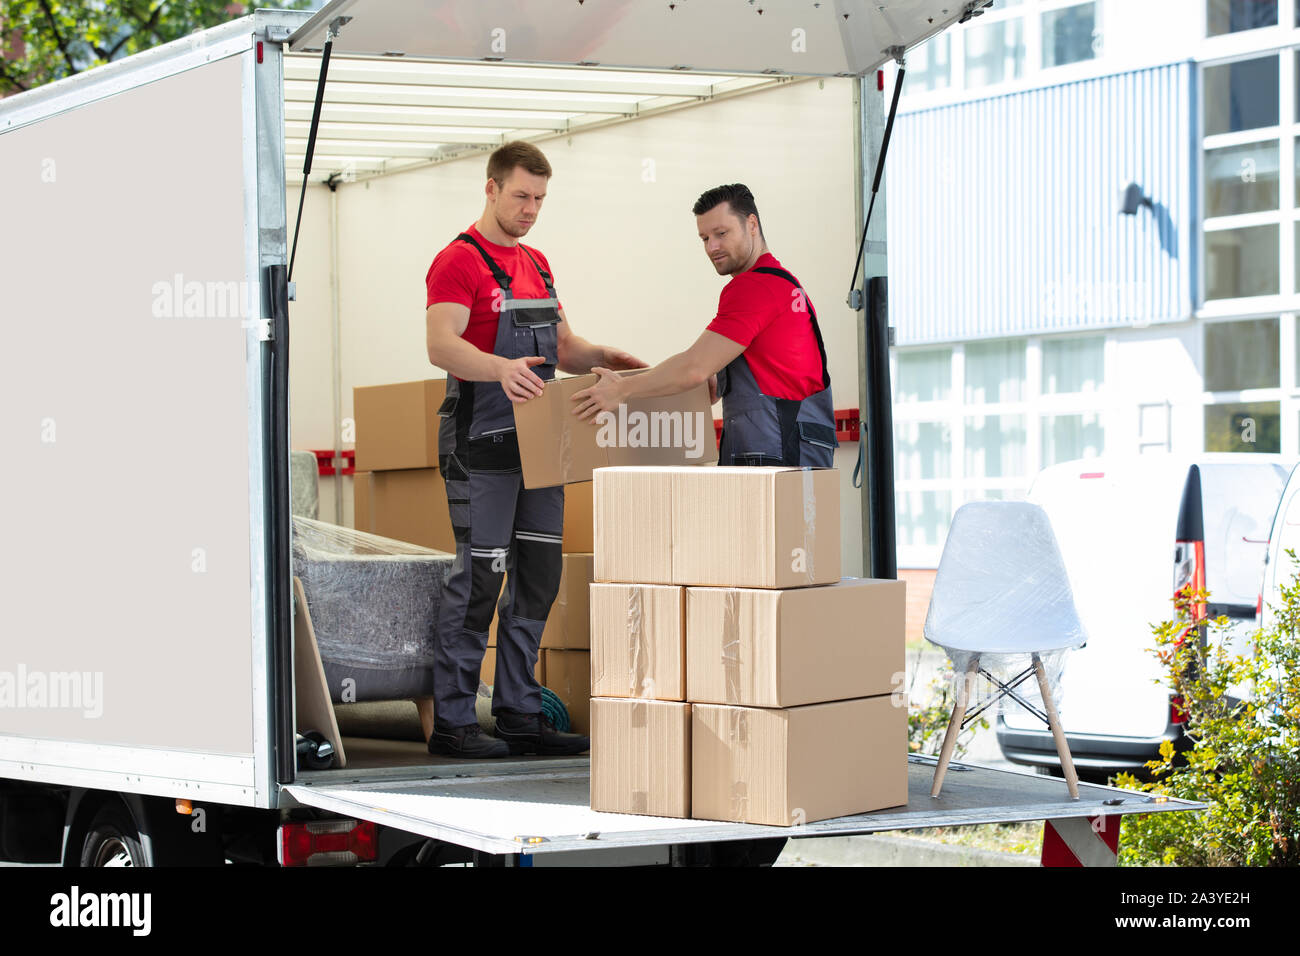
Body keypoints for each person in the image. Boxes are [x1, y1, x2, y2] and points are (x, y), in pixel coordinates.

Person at [424, 141, 645, 758]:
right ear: (491, 189)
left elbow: (563, 349)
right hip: (481, 444)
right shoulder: (456, 262)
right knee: (479, 580)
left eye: (541, 199)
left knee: (540, 577)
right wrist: (496, 367)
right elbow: (440, 344)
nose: (531, 210)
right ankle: (455, 723)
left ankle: (519, 712)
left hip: (542, 447)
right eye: (521, 196)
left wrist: (604, 357)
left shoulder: (539, 264)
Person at [572, 183, 837, 467]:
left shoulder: (754, 286)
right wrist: (718, 382)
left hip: (773, 450)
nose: (712, 247)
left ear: (751, 224)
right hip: (804, 446)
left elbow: (694, 367)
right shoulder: (785, 284)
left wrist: (621, 390)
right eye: (704, 238)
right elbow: (764, 370)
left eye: (721, 234)